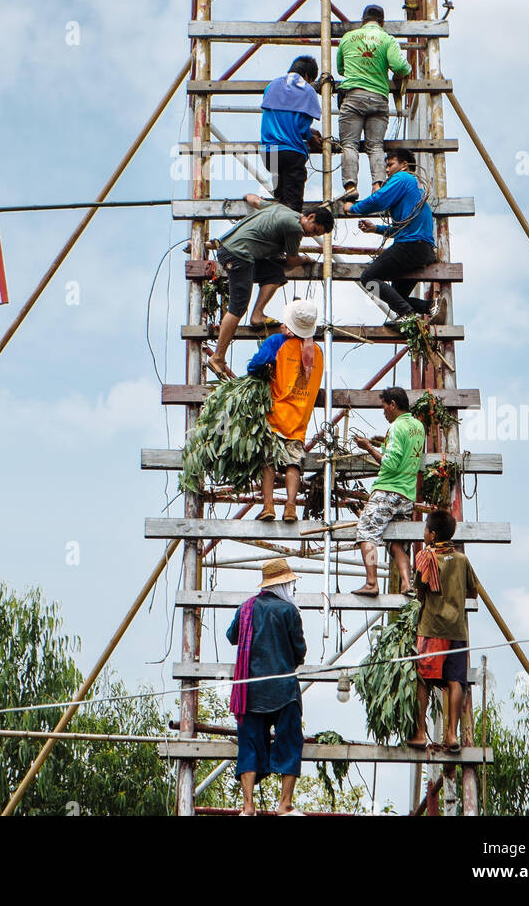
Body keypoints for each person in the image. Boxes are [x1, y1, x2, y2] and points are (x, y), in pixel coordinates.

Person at [208, 201, 334, 375]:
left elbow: (255, 200)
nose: (309, 234)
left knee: (274, 274)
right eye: (314, 230)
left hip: (240, 253)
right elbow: (292, 261)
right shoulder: (295, 228)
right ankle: (217, 357)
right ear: (311, 217)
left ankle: (258, 315)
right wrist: (305, 259)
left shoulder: (283, 209)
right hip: (238, 255)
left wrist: (246, 196)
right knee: (238, 308)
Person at [226, 556, 308, 816]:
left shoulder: (246, 608)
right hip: (284, 692)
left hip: (250, 691)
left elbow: (232, 636)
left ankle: (247, 806)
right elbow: (299, 652)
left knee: (248, 745)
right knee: (290, 742)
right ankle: (284, 804)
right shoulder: (288, 611)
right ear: (284, 585)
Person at [246, 298, 323, 523]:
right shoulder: (317, 352)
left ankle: (268, 505)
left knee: (268, 462)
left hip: (275, 416)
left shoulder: (277, 342)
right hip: (299, 420)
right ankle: (290, 507)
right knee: (293, 463)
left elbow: (254, 366)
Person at [408, 510, 478, 754]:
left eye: (426, 529)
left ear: (432, 534)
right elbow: (473, 591)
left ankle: (418, 733)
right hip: (457, 628)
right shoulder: (461, 560)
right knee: (456, 680)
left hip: (431, 628)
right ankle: (452, 735)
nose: (424, 533)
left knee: (424, 680)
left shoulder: (425, 558)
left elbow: (419, 590)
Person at [348, 147, 443, 323]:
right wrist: (375, 228)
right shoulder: (417, 195)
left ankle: (407, 315)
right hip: (423, 250)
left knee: (368, 278)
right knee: (396, 298)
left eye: (390, 164)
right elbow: (402, 228)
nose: (387, 170)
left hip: (410, 246)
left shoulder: (403, 178)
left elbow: (378, 200)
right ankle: (430, 307)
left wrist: (352, 209)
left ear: (404, 165)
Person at [351, 385, 424, 597]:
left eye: (384, 407)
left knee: (366, 532)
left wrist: (369, 448)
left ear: (393, 404)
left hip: (388, 490)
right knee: (396, 542)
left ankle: (372, 582)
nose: (384, 412)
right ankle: (406, 583)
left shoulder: (396, 428)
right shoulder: (418, 426)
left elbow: (390, 463)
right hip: (407, 494)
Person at [337, 5, 411, 200]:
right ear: (382, 22)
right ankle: (377, 185)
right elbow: (400, 67)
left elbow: (341, 69)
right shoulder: (387, 40)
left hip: (353, 97)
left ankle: (350, 187)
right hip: (379, 98)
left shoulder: (347, 38)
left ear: (363, 20)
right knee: (375, 146)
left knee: (349, 145)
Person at [260, 56, 322, 212]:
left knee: (281, 196)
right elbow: (300, 127)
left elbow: (280, 118)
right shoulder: (307, 90)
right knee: (293, 206)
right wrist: (310, 136)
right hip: (291, 153)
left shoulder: (272, 86)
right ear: (308, 76)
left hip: (269, 154)